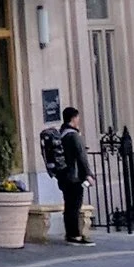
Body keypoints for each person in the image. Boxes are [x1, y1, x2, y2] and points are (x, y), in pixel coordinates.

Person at [52, 104, 92, 242]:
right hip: (74, 177)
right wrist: (88, 175)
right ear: (73, 118)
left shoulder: (61, 134)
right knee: (75, 206)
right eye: (77, 117)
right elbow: (81, 156)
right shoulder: (74, 135)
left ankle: (70, 233)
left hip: (63, 176)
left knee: (68, 205)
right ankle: (75, 234)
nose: (79, 119)